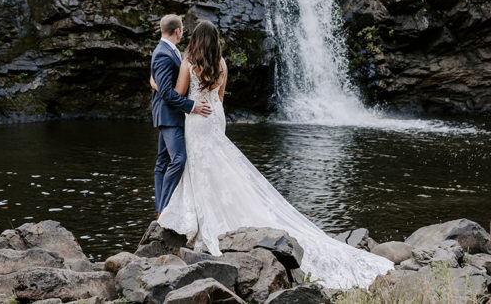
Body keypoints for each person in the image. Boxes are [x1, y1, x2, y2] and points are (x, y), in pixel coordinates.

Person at [153, 20, 394, 289]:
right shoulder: (221, 64)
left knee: (199, 165)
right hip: (215, 117)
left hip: (198, 118)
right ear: (215, 41)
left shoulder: (188, 63)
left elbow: (176, 94)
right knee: (217, 162)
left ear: (195, 40)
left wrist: (156, 84)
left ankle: (196, 219)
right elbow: (220, 98)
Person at [151, 14, 212, 215]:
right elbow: (168, 93)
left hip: (172, 115)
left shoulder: (170, 51)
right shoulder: (162, 53)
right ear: (178, 31)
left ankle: (160, 210)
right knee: (178, 159)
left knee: (163, 162)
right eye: (182, 30)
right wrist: (192, 106)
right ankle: (166, 208)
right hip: (170, 116)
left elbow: (162, 85)